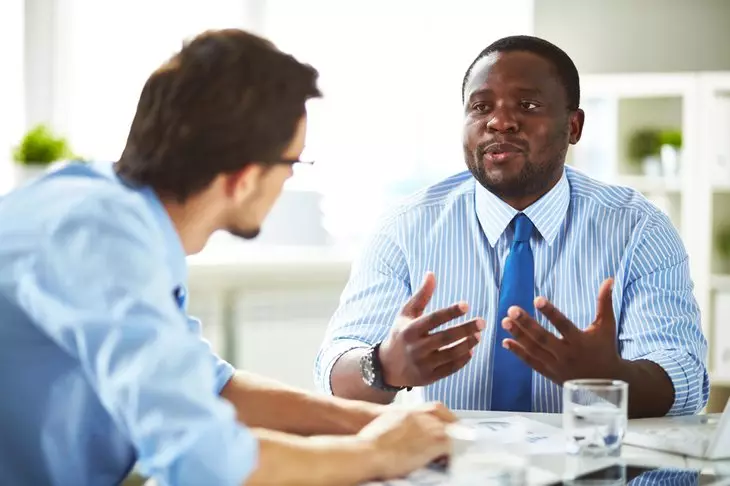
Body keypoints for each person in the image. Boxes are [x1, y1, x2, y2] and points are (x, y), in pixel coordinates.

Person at [0, 29, 456, 486]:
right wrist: (376, 452)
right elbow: (202, 459)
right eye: (292, 163)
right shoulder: (103, 241)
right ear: (244, 178)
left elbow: (212, 388)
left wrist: (369, 423)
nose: (287, 182)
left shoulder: (104, 211)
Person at [315, 35, 709, 419]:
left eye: (528, 104)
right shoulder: (405, 227)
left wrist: (611, 377)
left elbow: (686, 378)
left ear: (574, 126)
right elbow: (334, 371)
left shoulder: (639, 229)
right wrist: (382, 365)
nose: (499, 122)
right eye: (481, 107)